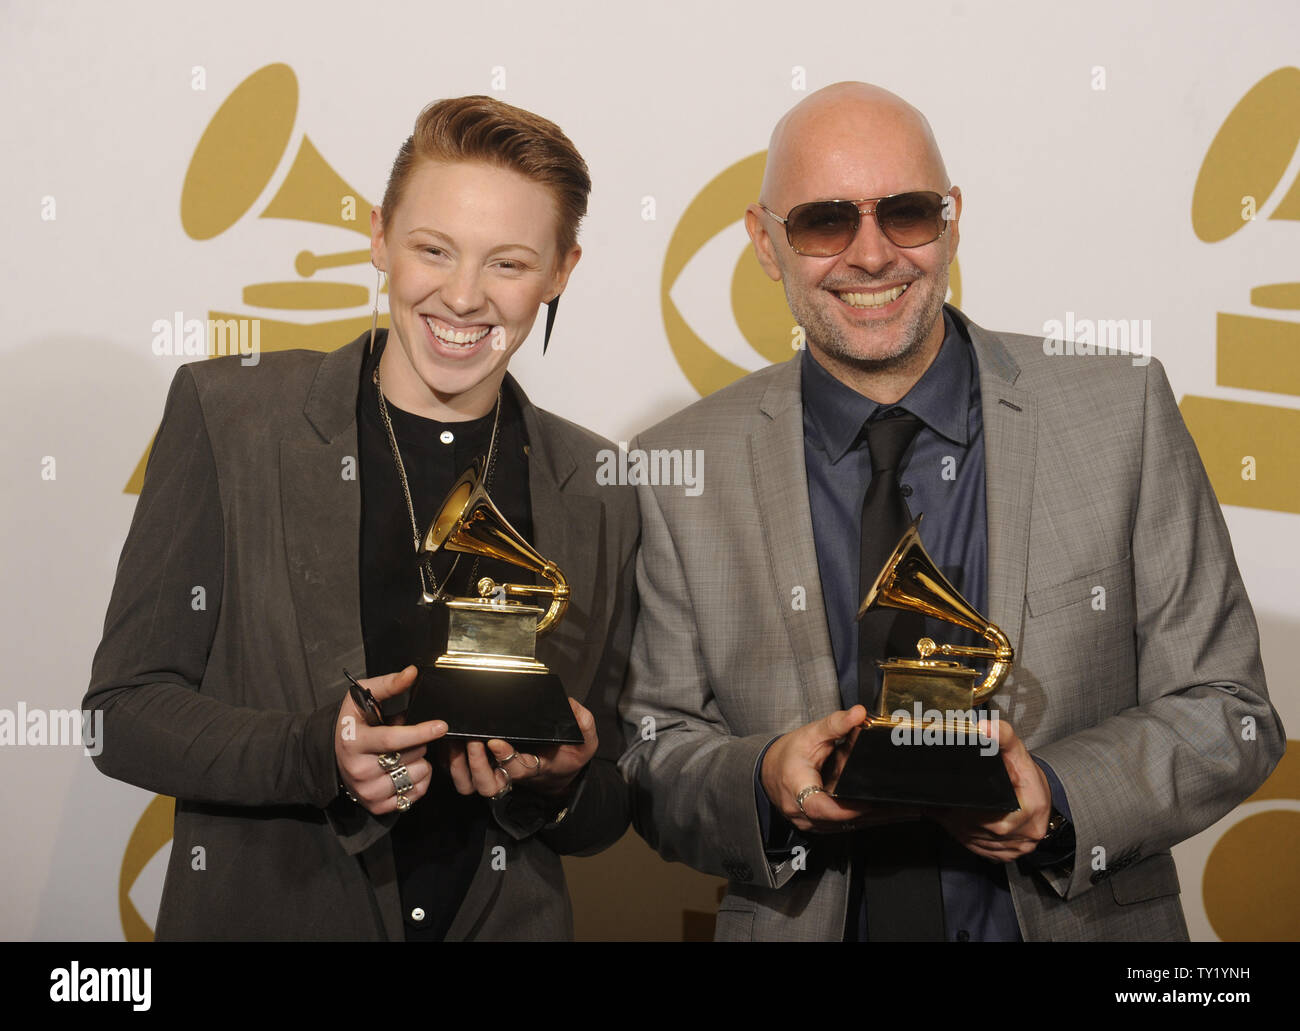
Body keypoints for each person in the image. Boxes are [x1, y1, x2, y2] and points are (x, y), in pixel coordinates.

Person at [617, 82, 1285, 941]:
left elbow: (1228, 705)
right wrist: (762, 782)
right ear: (764, 242)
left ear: (952, 219)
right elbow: (652, 749)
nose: (871, 255)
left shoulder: (1122, 410)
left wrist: (1061, 795)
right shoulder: (682, 468)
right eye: (825, 221)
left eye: (907, 213)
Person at [86, 96, 638, 940]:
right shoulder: (230, 416)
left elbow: (611, 801)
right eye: (433, 250)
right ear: (379, 238)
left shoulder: (601, 484)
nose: (462, 296)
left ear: (562, 270)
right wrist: (315, 752)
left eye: (509, 264)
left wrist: (561, 780)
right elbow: (121, 714)